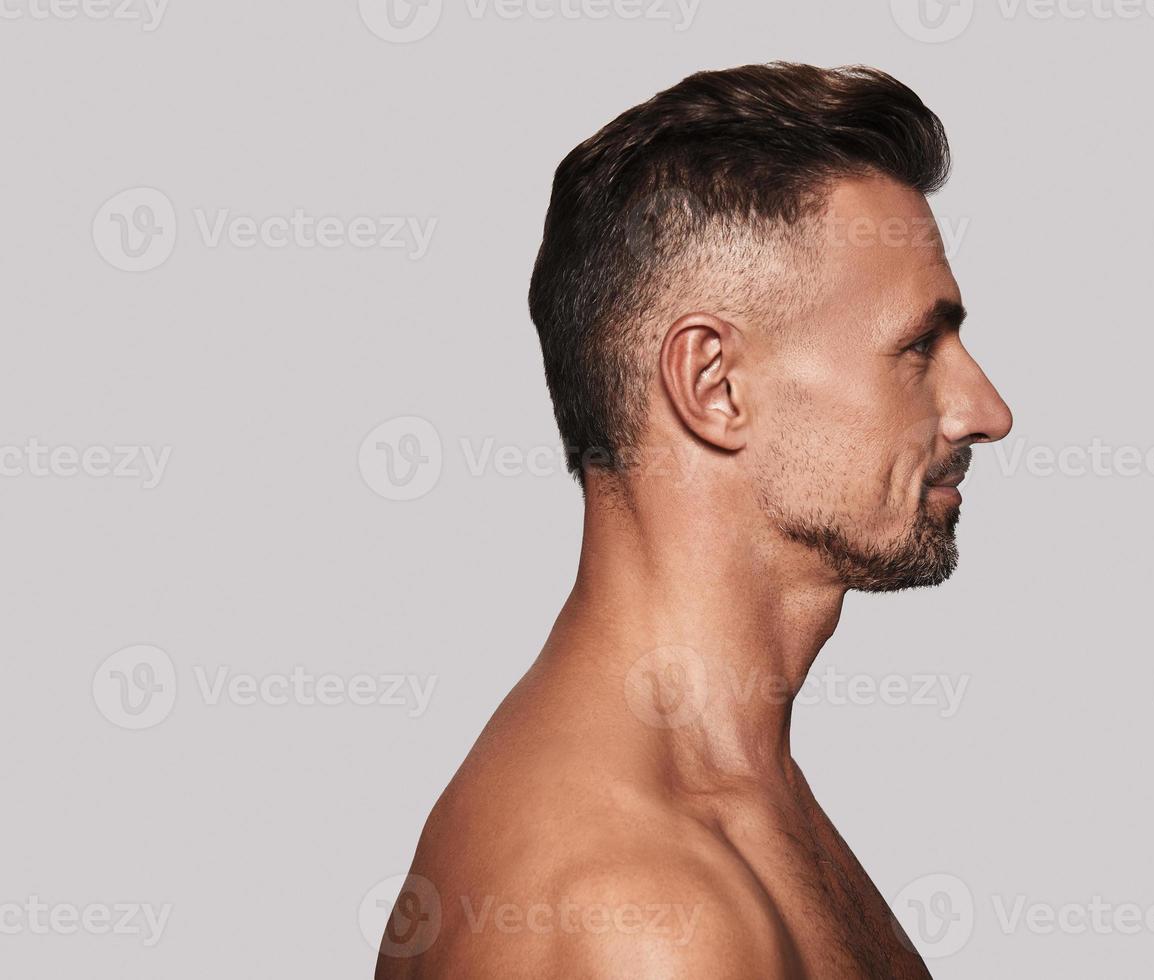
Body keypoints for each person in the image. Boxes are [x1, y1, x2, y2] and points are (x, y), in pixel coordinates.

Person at [377, 61, 1013, 979]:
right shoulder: (640, 923)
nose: (985, 410)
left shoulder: (741, 789)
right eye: (918, 345)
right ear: (712, 386)